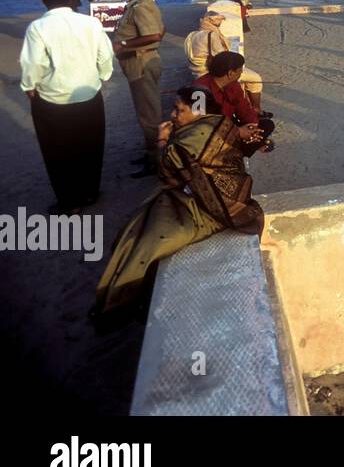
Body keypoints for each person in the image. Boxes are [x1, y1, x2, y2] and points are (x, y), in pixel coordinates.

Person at [91, 85, 265, 328]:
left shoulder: (196, 135)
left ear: (198, 111)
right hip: (200, 196)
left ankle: (119, 303)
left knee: (148, 242)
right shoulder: (216, 123)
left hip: (214, 206)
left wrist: (162, 142)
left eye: (179, 110)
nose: (173, 115)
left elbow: (167, 174)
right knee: (142, 231)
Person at [20, 0, 114, 212]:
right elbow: (105, 54)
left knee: (58, 153)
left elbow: (33, 64)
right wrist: (102, 76)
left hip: (53, 100)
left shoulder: (38, 27)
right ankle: (90, 193)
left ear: (44, 0)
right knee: (91, 146)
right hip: (89, 94)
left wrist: (30, 86)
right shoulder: (91, 23)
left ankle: (70, 202)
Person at [114, 0, 166, 177]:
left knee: (148, 115)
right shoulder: (147, 3)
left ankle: (156, 161)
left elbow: (153, 34)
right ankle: (151, 154)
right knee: (147, 112)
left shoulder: (140, 7)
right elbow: (161, 30)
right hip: (141, 62)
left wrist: (123, 43)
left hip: (141, 64)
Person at [195, 51, 276, 155]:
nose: (240, 74)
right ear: (231, 73)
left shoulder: (233, 85)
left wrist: (252, 127)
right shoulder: (199, 91)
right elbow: (199, 126)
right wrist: (237, 132)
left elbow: (244, 109)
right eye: (239, 71)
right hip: (211, 134)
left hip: (229, 124)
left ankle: (244, 147)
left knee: (267, 125)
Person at [184, 10, 264, 108]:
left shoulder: (192, 35)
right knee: (255, 79)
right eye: (218, 23)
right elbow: (223, 59)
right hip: (210, 73)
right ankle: (257, 109)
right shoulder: (211, 35)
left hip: (196, 73)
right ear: (213, 22)